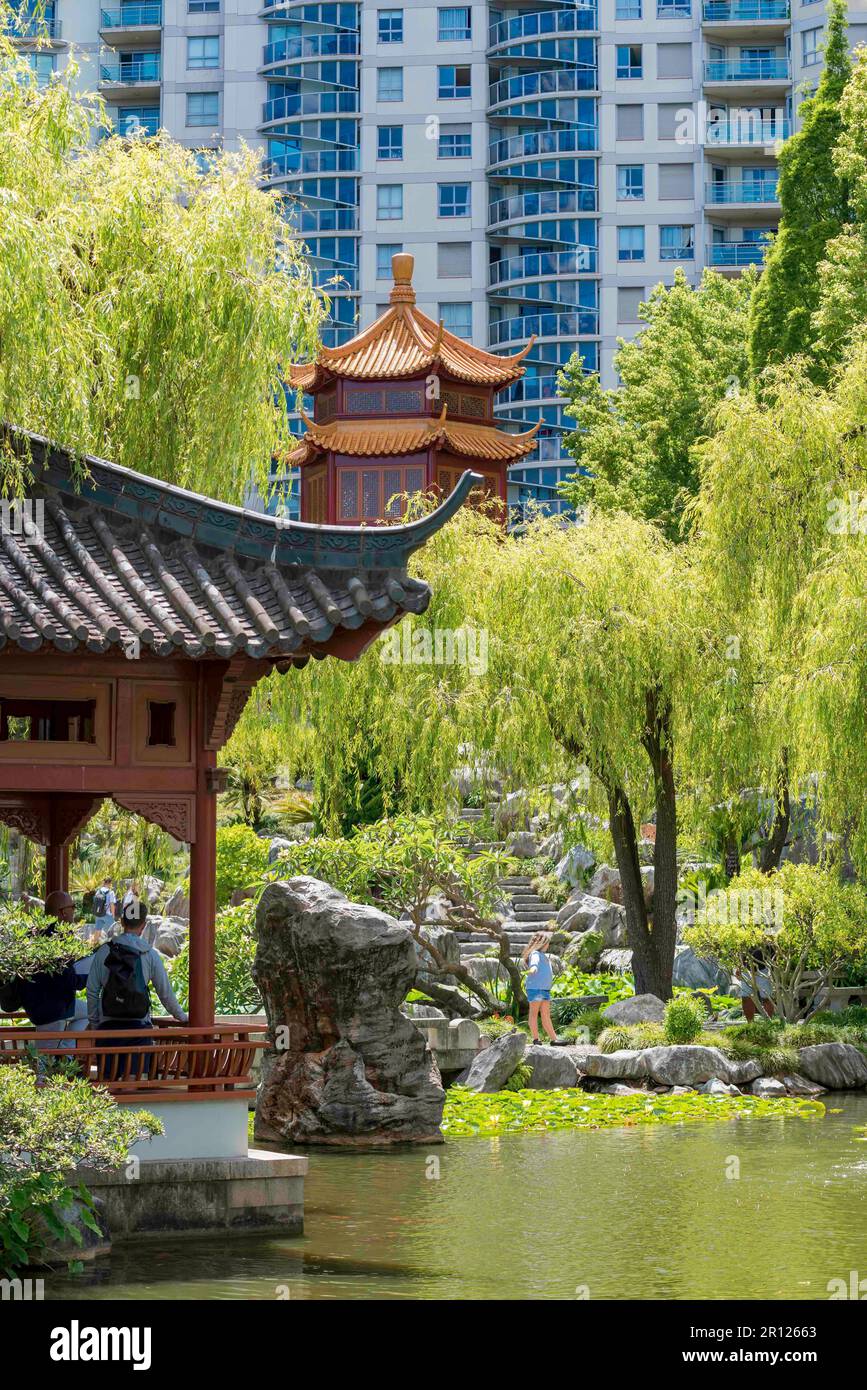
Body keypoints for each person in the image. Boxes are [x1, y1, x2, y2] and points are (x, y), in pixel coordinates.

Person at [86, 896, 187, 1081]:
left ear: (122, 921)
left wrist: (95, 1023)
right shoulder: (150, 954)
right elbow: (165, 994)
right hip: (139, 1029)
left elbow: (92, 990)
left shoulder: (104, 951)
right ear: (143, 925)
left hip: (108, 1028)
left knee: (105, 1083)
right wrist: (183, 1017)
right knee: (132, 1080)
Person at [16, 890, 88, 1052]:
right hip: (53, 1009)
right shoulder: (59, 938)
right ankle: (63, 1054)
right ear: (63, 912)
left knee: (90, 1011)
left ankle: (66, 1051)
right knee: (43, 1064)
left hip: (35, 1006)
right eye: (73, 907)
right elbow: (68, 981)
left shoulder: (32, 933)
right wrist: (91, 978)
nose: (74, 912)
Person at [522, 931, 568, 1045]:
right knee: (533, 1014)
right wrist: (533, 969)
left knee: (546, 1015)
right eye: (547, 943)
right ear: (541, 943)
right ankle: (536, 1039)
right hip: (536, 988)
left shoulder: (542, 955)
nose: (548, 945)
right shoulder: (536, 954)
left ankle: (554, 1039)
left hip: (544, 989)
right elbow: (534, 964)